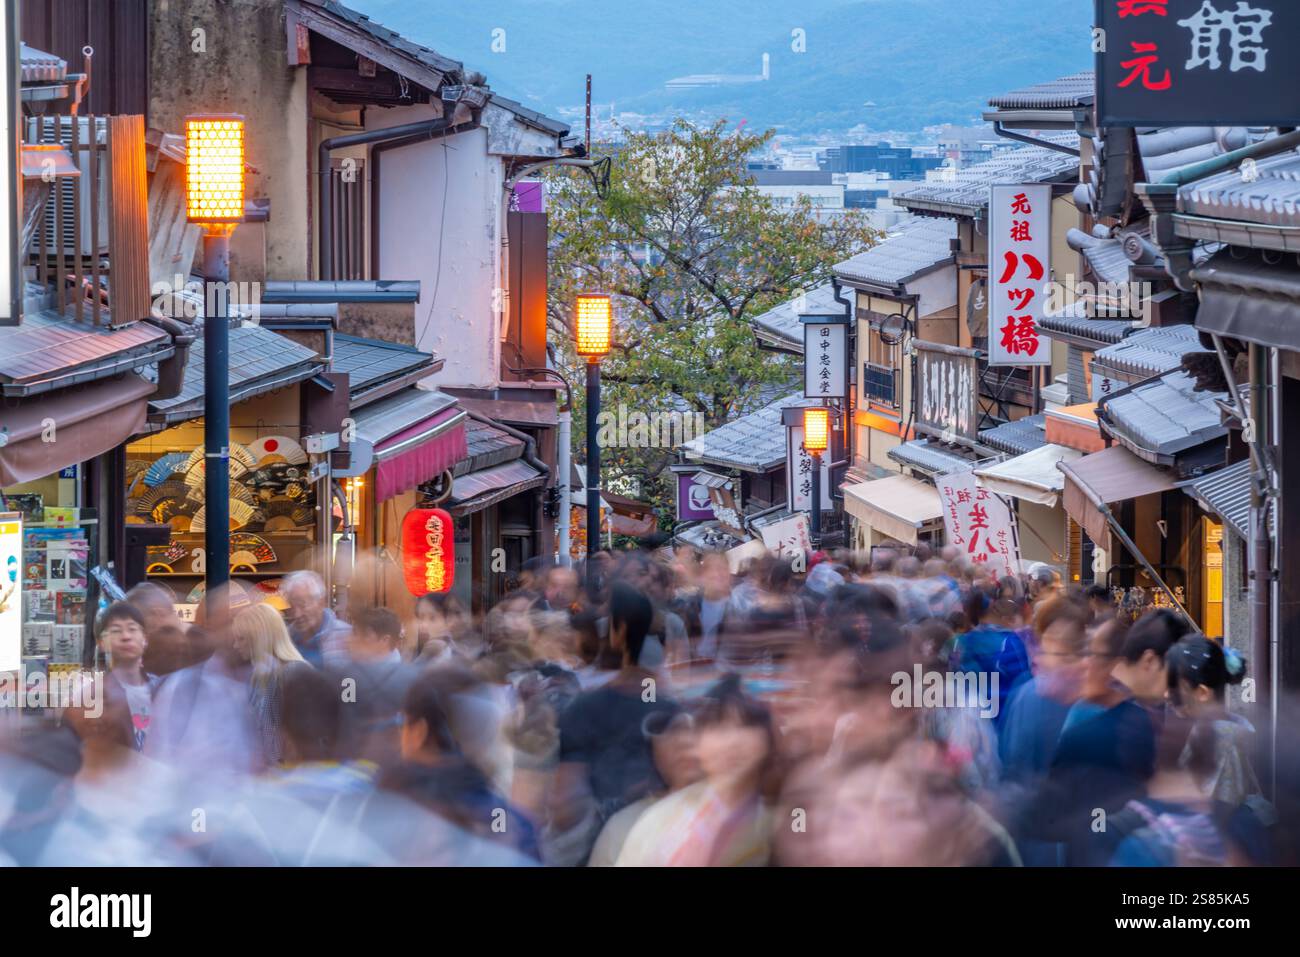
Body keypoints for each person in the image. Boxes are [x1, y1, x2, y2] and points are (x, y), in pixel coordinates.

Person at [552, 583, 679, 862]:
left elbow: (566, 803)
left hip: (601, 847)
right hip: (663, 844)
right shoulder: (672, 710)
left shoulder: (584, 707)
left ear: (618, 632)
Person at [616, 677, 775, 866]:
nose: (732, 741)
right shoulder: (659, 818)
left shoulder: (782, 821)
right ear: (698, 741)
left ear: (768, 739)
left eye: (747, 725)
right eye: (717, 726)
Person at [145, 585, 267, 779]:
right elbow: (160, 760)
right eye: (231, 621)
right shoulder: (182, 688)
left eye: (248, 620)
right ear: (210, 626)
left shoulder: (273, 680)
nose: (239, 629)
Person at [588, 706, 702, 866]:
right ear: (655, 755)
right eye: (672, 731)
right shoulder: (623, 827)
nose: (684, 741)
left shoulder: (745, 820)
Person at [1166, 636, 1260, 807]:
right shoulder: (1221, 729)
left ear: (1202, 692)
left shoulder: (1221, 738)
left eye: (1175, 688)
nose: (1167, 695)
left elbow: (1212, 814)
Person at [333, 607, 421, 766]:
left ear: (385, 640)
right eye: (354, 633)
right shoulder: (349, 676)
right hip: (358, 763)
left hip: (395, 766)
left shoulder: (410, 678)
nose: (351, 640)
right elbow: (345, 717)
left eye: (362, 635)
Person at [231, 602, 311, 767]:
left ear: (259, 637)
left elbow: (303, 737)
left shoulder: (293, 672)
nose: (235, 645)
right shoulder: (259, 675)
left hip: (289, 778)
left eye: (241, 638)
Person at [95, 602, 161, 752]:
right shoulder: (96, 696)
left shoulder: (162, 688)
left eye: (132, 629)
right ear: (102, 643)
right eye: (116, 631)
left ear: (145, 639)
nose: (126, 637)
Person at [280, 571, 350, 669]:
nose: (296, 614)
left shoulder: (347, 636)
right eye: (291, 607)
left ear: (321, 602)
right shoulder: (285, 639)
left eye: (302, 605)